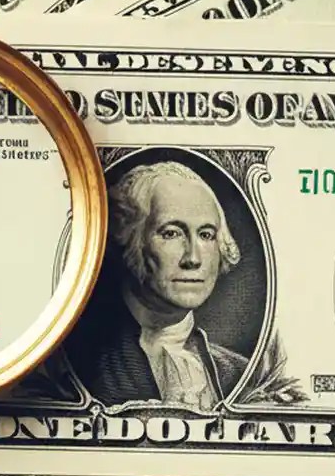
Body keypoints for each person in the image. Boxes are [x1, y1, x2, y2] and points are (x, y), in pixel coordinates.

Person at [68, 160, 250, 411]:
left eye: (206, 235)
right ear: (130, 238)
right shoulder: (77, 365)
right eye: (171, 233)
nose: (193, 258)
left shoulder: (240, 374)